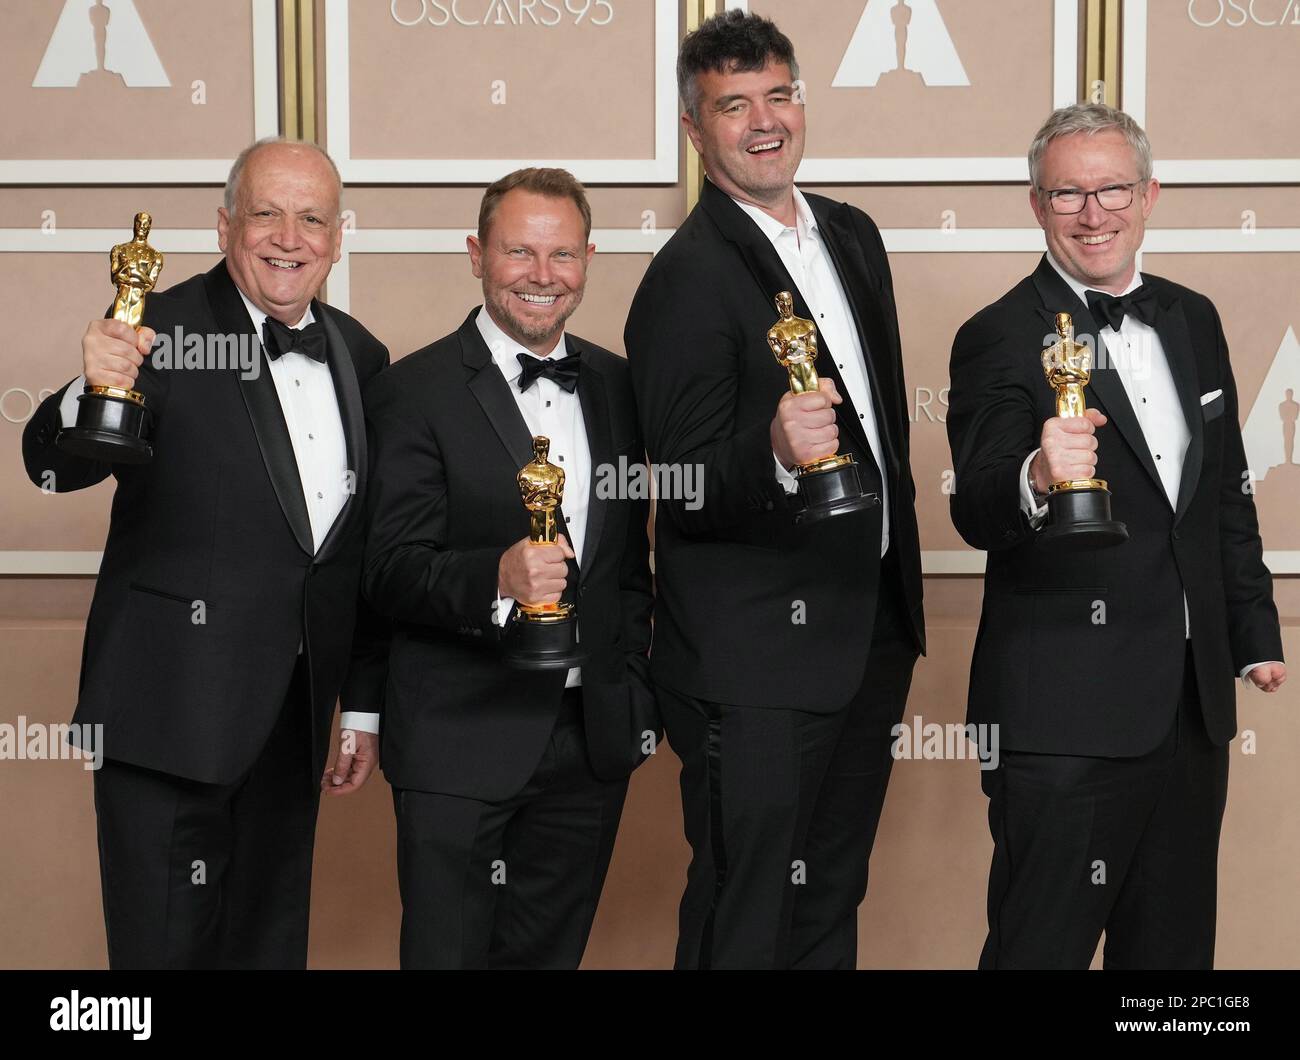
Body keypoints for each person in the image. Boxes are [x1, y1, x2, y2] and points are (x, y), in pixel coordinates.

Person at [21, 138, 389, 969]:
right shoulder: (160, 329)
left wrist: (359, 703)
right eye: (265, 213)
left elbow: (357, 553)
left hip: (293, 723)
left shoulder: (362, 356)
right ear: (226, 225)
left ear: (336, 236)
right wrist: (88, 390)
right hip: (167, 716)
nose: (288, 236)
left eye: (311, 217)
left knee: (267, 948)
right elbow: (55, 467)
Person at [947, 103, 1287, 969]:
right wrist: (1034, 474)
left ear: (1150, 194)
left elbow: (1223, 495)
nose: (1092, 212)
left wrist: (1250, 631)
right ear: (1035, 204)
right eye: (1067, 193)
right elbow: (977, 506)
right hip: (1064, 714)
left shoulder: (1193, 318)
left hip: (1190, 705)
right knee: (1038, 953)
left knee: (1172, 968)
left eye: (1111, 190)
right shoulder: (997, 334)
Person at [624, 10, 925, 969]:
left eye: (778, 95)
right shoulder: (685, 281)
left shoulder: (853, 234)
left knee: (828, 899)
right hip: (751, 664)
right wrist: (775, 457)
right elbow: (672, 482)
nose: (763, 121)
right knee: (743, 910)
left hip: (868, 632)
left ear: (801, 101)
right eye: (733, 105)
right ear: (694, 129)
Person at [362, 168, 657, 969]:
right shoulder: (411, 390)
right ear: (476, 255)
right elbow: (388, 569)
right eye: (519, 251)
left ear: (589, 258)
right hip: (459, 736)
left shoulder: (623, 387)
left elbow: (629, 567)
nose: (541, 274)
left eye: (562, 253)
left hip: (589, 742)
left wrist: (632, 691)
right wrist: (494, 578)